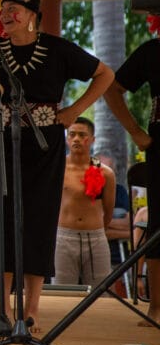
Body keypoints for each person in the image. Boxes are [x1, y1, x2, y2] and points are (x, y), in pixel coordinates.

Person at [0, 0, 113, 330]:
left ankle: (32, 308)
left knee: (39, 221)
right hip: (3, 143)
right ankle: (3, 309)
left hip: (45, 144)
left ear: (32, 14)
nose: (6, 15)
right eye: (4, 10)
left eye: (14, 9)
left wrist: (75, 110)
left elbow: (104, 75)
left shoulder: (58, 49)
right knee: (3, 219)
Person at [105, 11, 160, 321]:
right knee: (158, 225)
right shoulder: (152, 51)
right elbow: (112, 88)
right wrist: (136, 131)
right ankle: (157, 306)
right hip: (159, 144)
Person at [53, 117, 115, 287]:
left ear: (92, 139)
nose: (76, 139)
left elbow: (109, 210)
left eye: (82, 135)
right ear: (67, 138)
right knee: (62, 292)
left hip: (96, 237)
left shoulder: (105, 173)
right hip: (64, 237)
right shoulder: (57, 168)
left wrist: (97, 230)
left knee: (101, 291)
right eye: (72, 134)